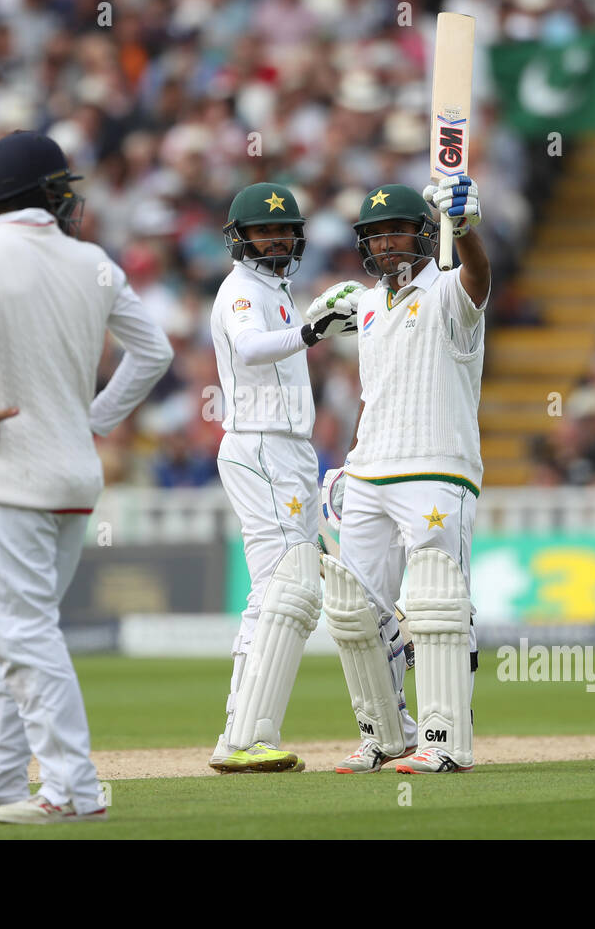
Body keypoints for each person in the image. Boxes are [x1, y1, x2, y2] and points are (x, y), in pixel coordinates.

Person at [0, 131, 172, 824]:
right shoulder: (93, 261)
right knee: (7, 632)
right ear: (47, 193)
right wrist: (92, 418)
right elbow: (153, 351)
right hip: (73, 478)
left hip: (9, 476)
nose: (73, 198)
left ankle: (74, 789)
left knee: (21, 630)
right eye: (64, 187)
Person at [320, 177, 490, 773]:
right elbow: (378, 393)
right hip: (370, 472)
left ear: (423, 234)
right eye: (374, 234)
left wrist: (465, 231)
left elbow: (479, 280)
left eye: (395, 230)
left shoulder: (448, 290)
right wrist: (351, 462)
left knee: (439, 604)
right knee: (357, 612)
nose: (386, 243)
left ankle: (447, 741)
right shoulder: (365, 304)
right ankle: (386, 733)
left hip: (438, 468)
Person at [206, 182, 360, 773]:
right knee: (280, 590)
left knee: (284, 592)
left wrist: (319, 321)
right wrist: (312, 329)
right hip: (261, 446)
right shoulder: (242, 290)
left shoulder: (277, 290)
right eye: (263, 231)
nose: (275, 239)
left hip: (287, 452)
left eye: (283, 230)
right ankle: (243, 737)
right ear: (239, 238)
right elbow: (248, 349)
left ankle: (245, 732)